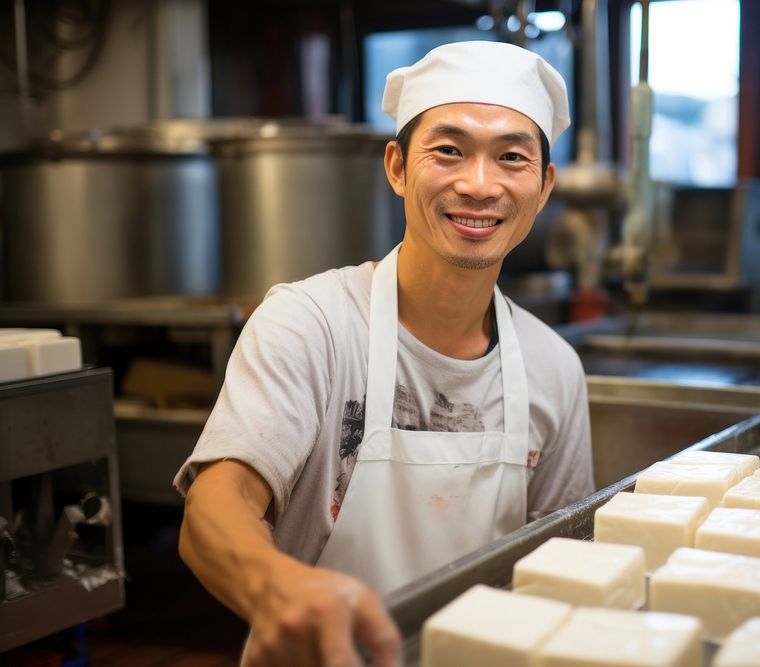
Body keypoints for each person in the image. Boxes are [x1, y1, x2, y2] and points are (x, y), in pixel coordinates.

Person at [174, 40, 594, 667]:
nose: (479, 185)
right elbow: (216, 506)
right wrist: (278, 588)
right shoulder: (310, 323)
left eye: (511, 157)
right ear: (396, 166)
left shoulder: (553, 367)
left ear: (543, 185)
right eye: (449, 151)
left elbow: (561, 565)